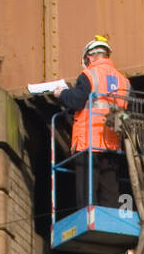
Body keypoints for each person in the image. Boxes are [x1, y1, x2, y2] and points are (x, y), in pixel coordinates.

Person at [53, 36, 130, 210]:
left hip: (89, 141)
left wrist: (62, 94)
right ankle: (110, 220)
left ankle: (87, 217)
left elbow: (76, 101)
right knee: (109, 187)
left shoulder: (89, 75)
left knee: (87, 188)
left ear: (89, 57)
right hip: (111, 143)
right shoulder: (124, 81)